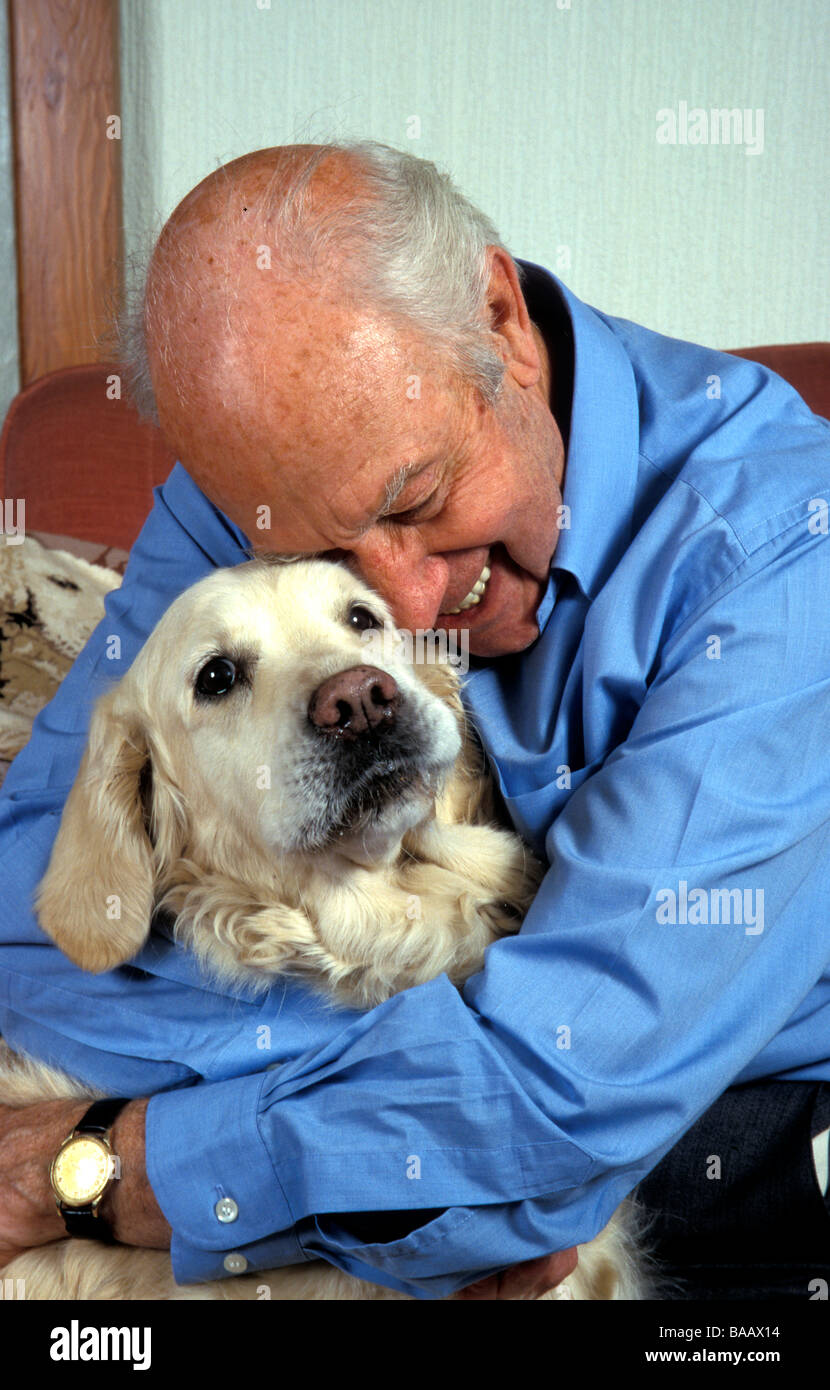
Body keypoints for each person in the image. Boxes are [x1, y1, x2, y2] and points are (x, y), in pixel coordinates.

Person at [1, 141, 829, 1301]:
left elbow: (561, 1090)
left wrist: (97, 1169)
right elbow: (33, 921)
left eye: (418, 500)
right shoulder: (268, 468)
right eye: (325, 557)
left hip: (704, 1166)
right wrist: (403, 1149)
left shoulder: (786, 553)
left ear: (499, 321)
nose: (404, 612)